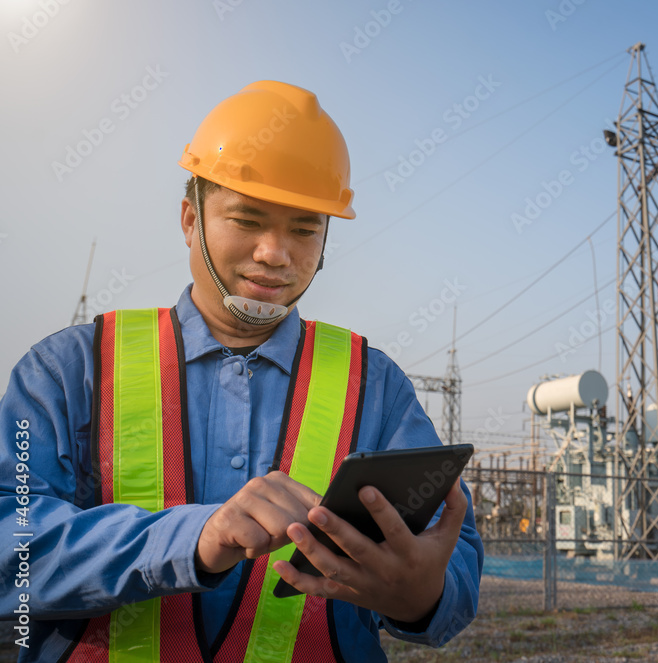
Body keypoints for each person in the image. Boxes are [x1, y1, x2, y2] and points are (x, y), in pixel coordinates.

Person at [0, 80, 483, 662]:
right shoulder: (68, 370)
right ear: (189, 218)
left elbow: (453, 567)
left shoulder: (375, 388)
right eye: (248, 219)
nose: (275, 253)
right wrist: (193, 538)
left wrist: (424, 597)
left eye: (304, 229)